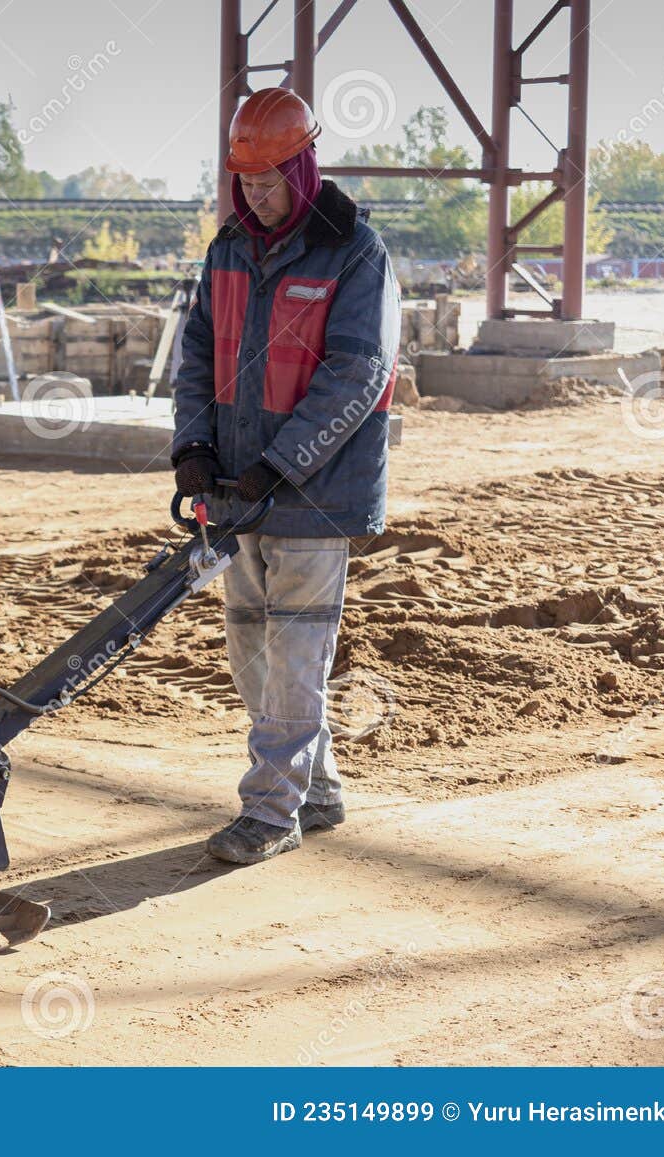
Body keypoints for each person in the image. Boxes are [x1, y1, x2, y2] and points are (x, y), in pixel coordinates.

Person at [171, 87, 400, 865]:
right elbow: (197, 354)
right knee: (251, 651)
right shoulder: (229, 248)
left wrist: (283, 463)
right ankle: (320, 787)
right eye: (247, 182)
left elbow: (358, 373)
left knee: (297, 654)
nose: (257, 196)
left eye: (270, 181)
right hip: (238, 490)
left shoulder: (356, 254)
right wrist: (193, 445)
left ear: (303, 168)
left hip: (313, 494)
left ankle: (271, 813)